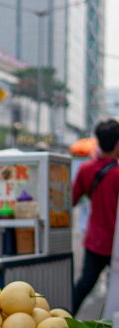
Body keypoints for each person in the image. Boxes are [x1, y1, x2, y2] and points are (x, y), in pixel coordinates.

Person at [71, 119, 119, 315]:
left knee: (84, 285)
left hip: (95, 240)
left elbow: (72, 199)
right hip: (116, 243)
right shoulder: (117, 173)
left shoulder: (85, 169)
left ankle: (63, 320)